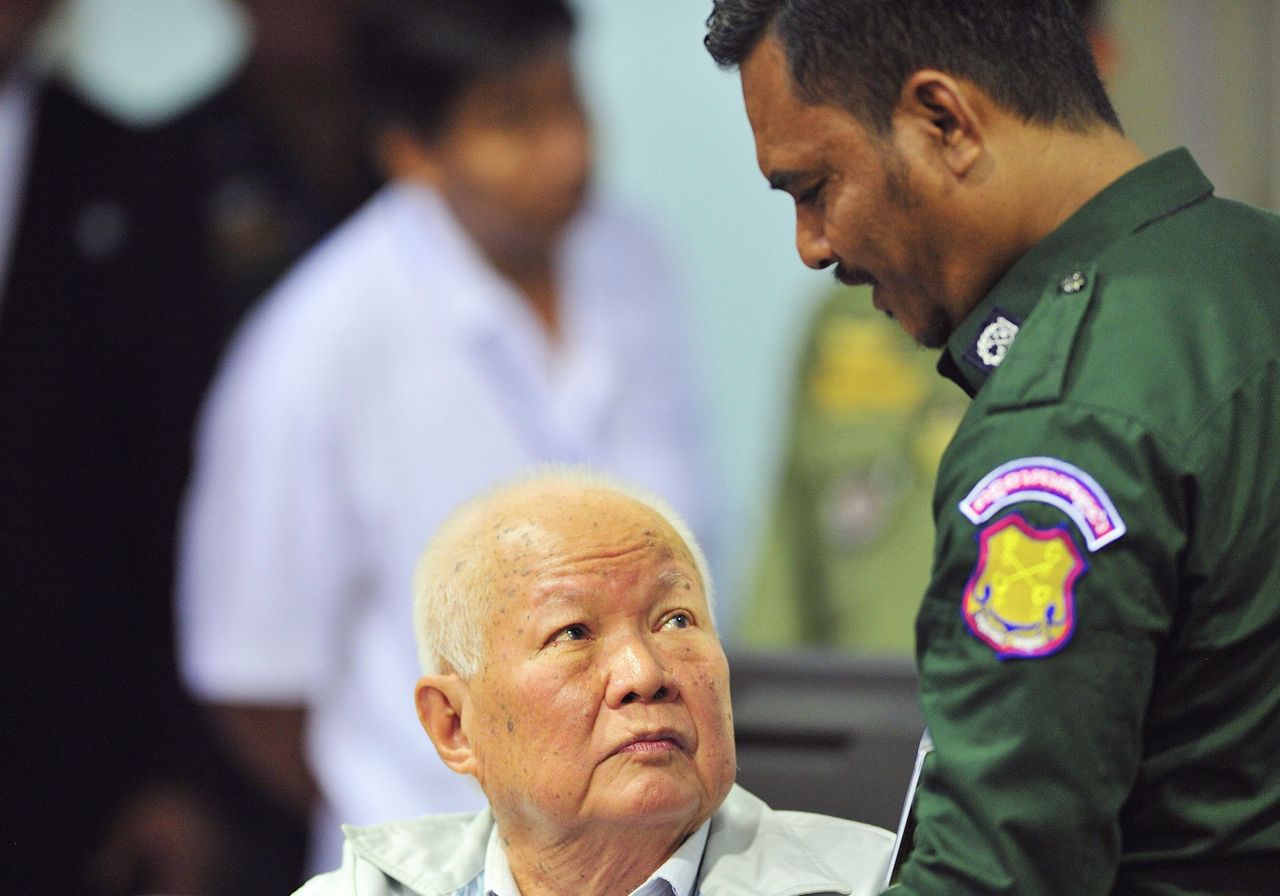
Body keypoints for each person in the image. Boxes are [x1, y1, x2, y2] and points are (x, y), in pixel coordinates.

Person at [705, 1, 1280, 893]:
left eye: (815, 188)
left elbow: (1000, 873)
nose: (812, 248)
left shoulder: (1064, 417)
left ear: (945, 121)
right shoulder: (1250, 266)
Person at [178, 0, 717, 872]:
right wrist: (427, 819)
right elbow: (255, 684)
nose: (566, 150)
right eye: (515, 121)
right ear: (410, 150)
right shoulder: (317, 346)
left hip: (654, 858)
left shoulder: (633, 261)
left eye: (570, 104)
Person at [294, 467, 891, 896]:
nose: (644, 676)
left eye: (676, 620)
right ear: (454, 726)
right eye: (573, 633)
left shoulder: (884, 885)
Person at [744, 0, 1115, 654]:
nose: (812, 246)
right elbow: (782, 595)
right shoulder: (843, 323)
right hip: (865, 738)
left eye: (817, 189)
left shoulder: (1149, 319)